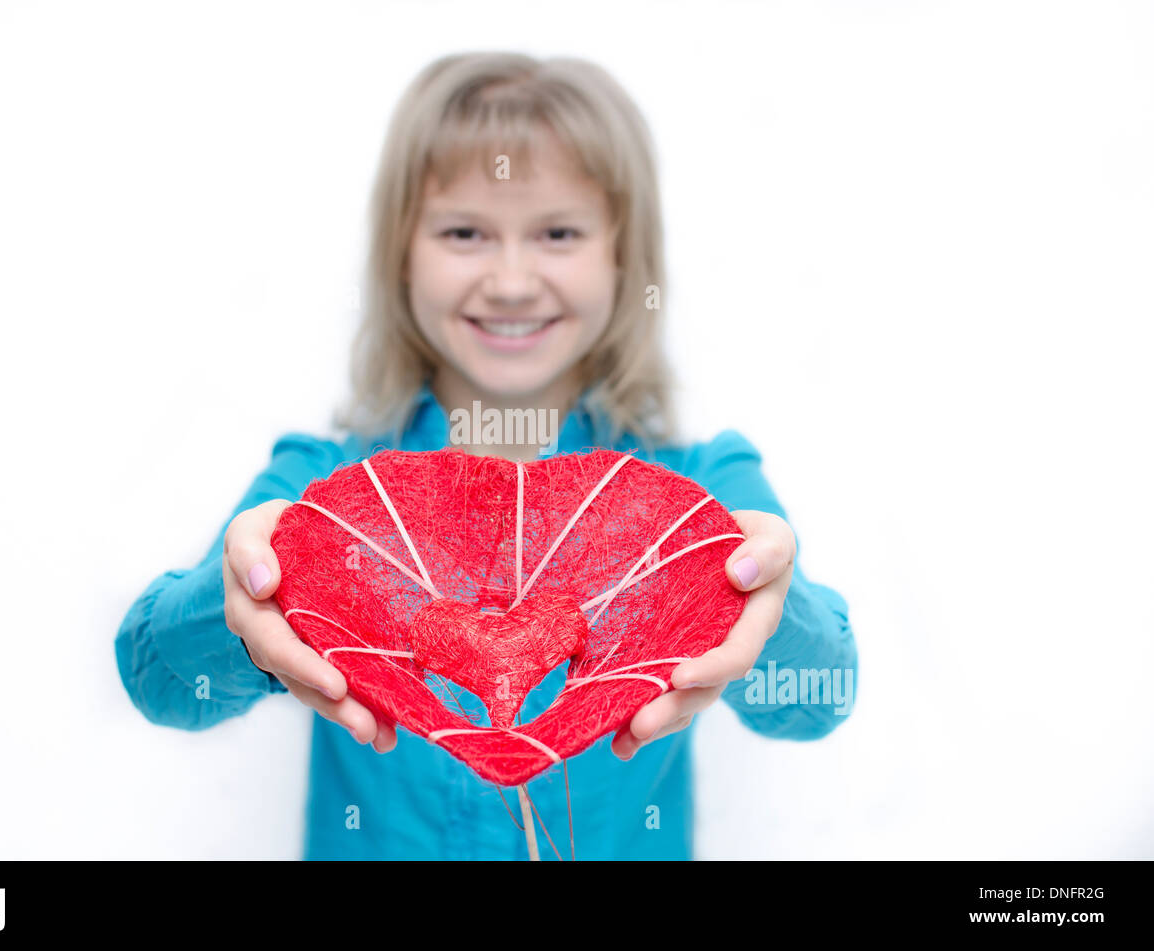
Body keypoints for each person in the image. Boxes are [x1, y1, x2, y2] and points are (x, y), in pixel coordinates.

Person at [114, 51, 858, 860]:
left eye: (558, 233)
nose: (510, 281)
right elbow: (158, 679)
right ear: (402, 256)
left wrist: (771, 604)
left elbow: (822, 697)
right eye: (464, 232)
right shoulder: (321, 491)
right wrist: (233, 607)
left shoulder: (700, 490)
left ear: (623, 258)